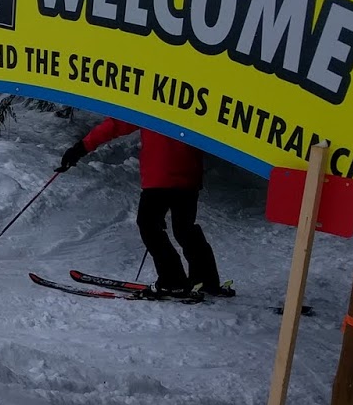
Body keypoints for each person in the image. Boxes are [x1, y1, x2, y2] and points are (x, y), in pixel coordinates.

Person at [58, 118, 232, 297]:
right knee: (185, 229)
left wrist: (81, 148)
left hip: (159, 177)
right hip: (188, 177)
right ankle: (206, 280)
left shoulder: (151, 104)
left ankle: (173, 282)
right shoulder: (194, 104)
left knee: (149, 225)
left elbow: (117, 124)